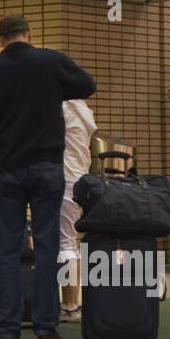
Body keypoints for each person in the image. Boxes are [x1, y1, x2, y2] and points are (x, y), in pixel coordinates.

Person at [0, 14, 96, 339]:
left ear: (1, 39)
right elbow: (87, 85)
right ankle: (45, 326)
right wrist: (53, 88)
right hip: (47, 166)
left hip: (8, 167)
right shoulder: (50, 60)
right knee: (47, 245)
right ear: (28, 34)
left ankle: (9, 327)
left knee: (8, 247)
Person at [57, 98, 97, 323]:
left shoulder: (61, 108)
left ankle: (70, 305)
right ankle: (71, 303)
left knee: (65, 243)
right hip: (79, 177)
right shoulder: (83, 108)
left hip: (63, 178)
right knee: (69, 240)